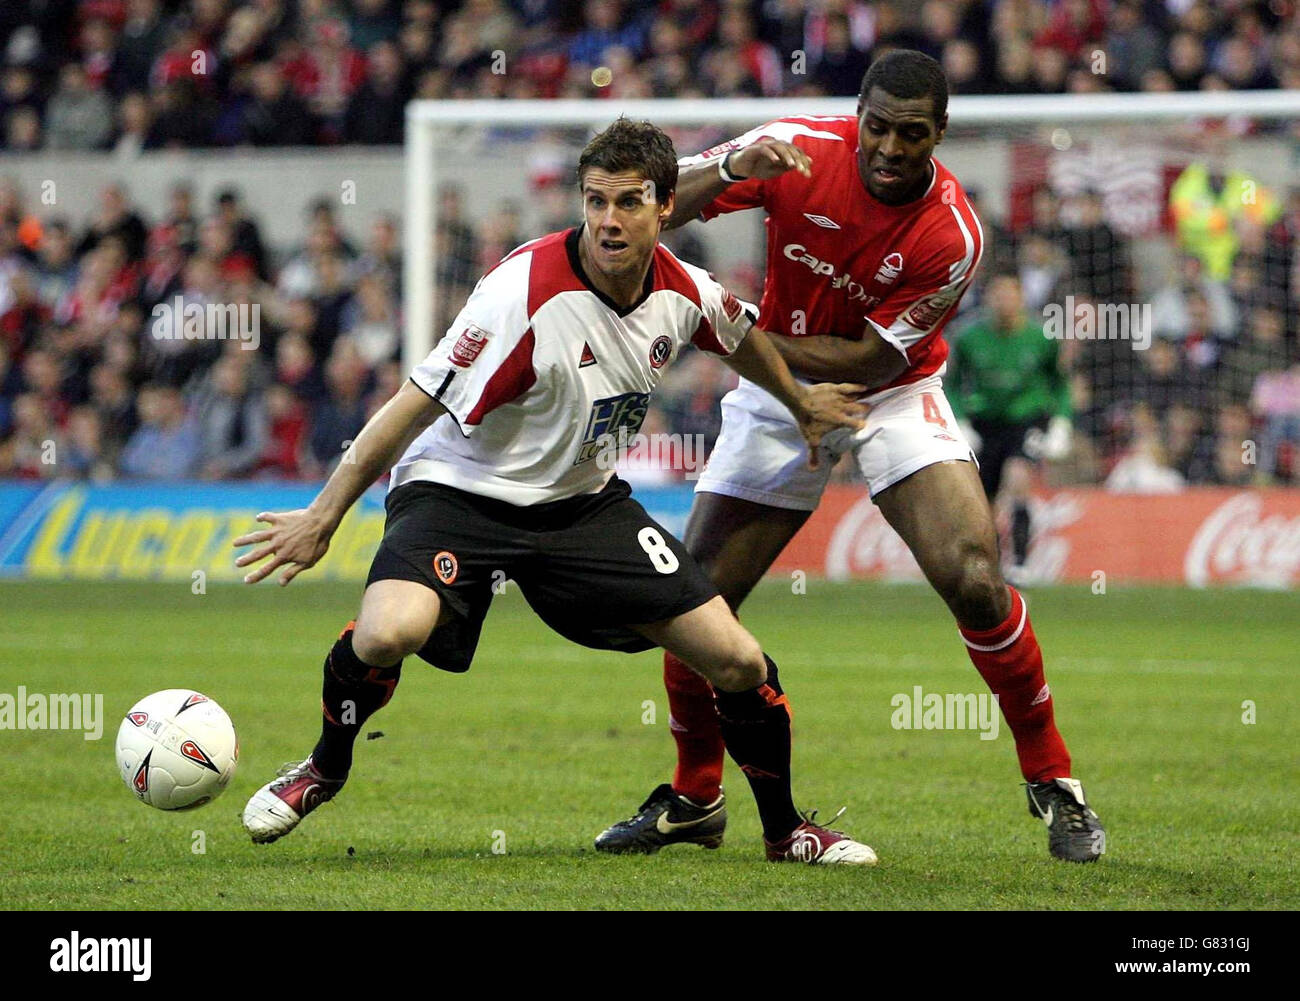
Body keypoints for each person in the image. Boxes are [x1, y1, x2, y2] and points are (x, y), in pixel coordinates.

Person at [233, 117, 876, 865]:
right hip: (460, 492)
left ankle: (785, 830)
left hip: (580, 507)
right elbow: (413, 403)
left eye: (629, 202)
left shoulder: (684, 290)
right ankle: (323, 766)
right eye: (596, 200)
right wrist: (324, 514)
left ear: (666, 206)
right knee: (386, 633)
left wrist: (801, 405)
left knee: (735, 659)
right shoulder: (521, 294)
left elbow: (739, 337)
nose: (609, 219)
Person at [594, 50, 1106, 863]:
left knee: (974, 574)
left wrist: (744, 338)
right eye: (878, 127)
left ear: (939, 133)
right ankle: (695, 795)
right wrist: (731, 163)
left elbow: (869, 361)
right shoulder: (795, 147)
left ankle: (1053, 776)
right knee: (691, 603)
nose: (891, 148)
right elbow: (650, 202)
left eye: (912, 134)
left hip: (889, 395)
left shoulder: (954, 234)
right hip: (775, 395)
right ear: (857, 115)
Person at [947, 272, 1072, 579]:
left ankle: (1020, 563)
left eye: (1010, 294)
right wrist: (960, 418)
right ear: (987, 298)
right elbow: (950, 383)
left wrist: (1062, 422)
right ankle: (991, 563)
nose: (1003, 301)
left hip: (1026, 419)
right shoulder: (967, 337)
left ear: (1021, 298)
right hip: (984, 421)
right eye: (997, 294)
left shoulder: (1041, 338)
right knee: (984, 496)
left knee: (1018, 480)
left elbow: (1060, 384)